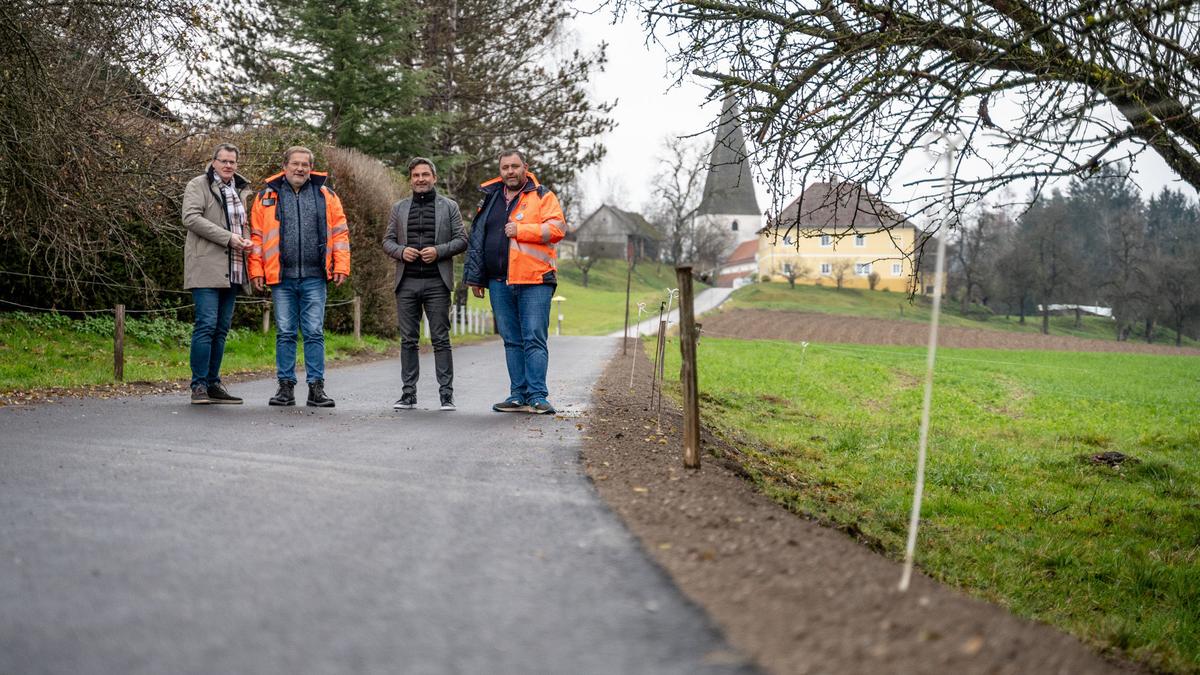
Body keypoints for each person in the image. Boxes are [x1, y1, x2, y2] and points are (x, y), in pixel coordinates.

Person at [462, 150, 566, 414]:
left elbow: (557, 229)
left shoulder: (542, 196)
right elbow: (479, 238)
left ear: (525, 168)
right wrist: (477, 277)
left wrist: (521, 230)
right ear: (500, 170)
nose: (510, 171)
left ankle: (538, 396)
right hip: (498, 281)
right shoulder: (490, 197)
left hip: (535, 280)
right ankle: (517, 395)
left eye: (515, 166)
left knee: (533, 338)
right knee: (511, 340)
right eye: (505, 167)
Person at [248, 146, 350, 408]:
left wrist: (341, 266)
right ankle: (285, 388)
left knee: (314, 332)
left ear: (310, 168)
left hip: (315, 277)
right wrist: (256, 270)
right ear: (285, 166)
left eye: (305, 164)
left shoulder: (326, 195)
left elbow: (340, 233)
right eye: (295, 163)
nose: (300, 168)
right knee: (285, 333)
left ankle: (317, 389)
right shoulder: (266, 196)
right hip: (281, 278)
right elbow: (257, 238)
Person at [382, 157, 467, 411]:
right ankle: (408, 394)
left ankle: (446, 396)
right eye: (416, 175)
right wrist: (401, 252)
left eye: (425, 174)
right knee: (408, 340)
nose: (420, 179)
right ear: (411, 179)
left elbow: (462, 239)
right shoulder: (399, 208)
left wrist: (439, 251)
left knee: (441, 339)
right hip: (406, 282)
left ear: (434, 178)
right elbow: (387, 241)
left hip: (437, 283)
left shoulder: (449, 207)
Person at [181, 143, 253, 405]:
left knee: (221, 329)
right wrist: (229, 238)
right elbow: (190, 218)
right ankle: (198, 386)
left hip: (234, 268)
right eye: (223, 160)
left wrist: (245, 241)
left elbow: (241, 225)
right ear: (213, 162)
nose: (228, 165)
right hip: (206, 267)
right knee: (206, 325)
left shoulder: (239, 190)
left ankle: (213, 384)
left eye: (232, 161)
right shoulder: (197, 185)